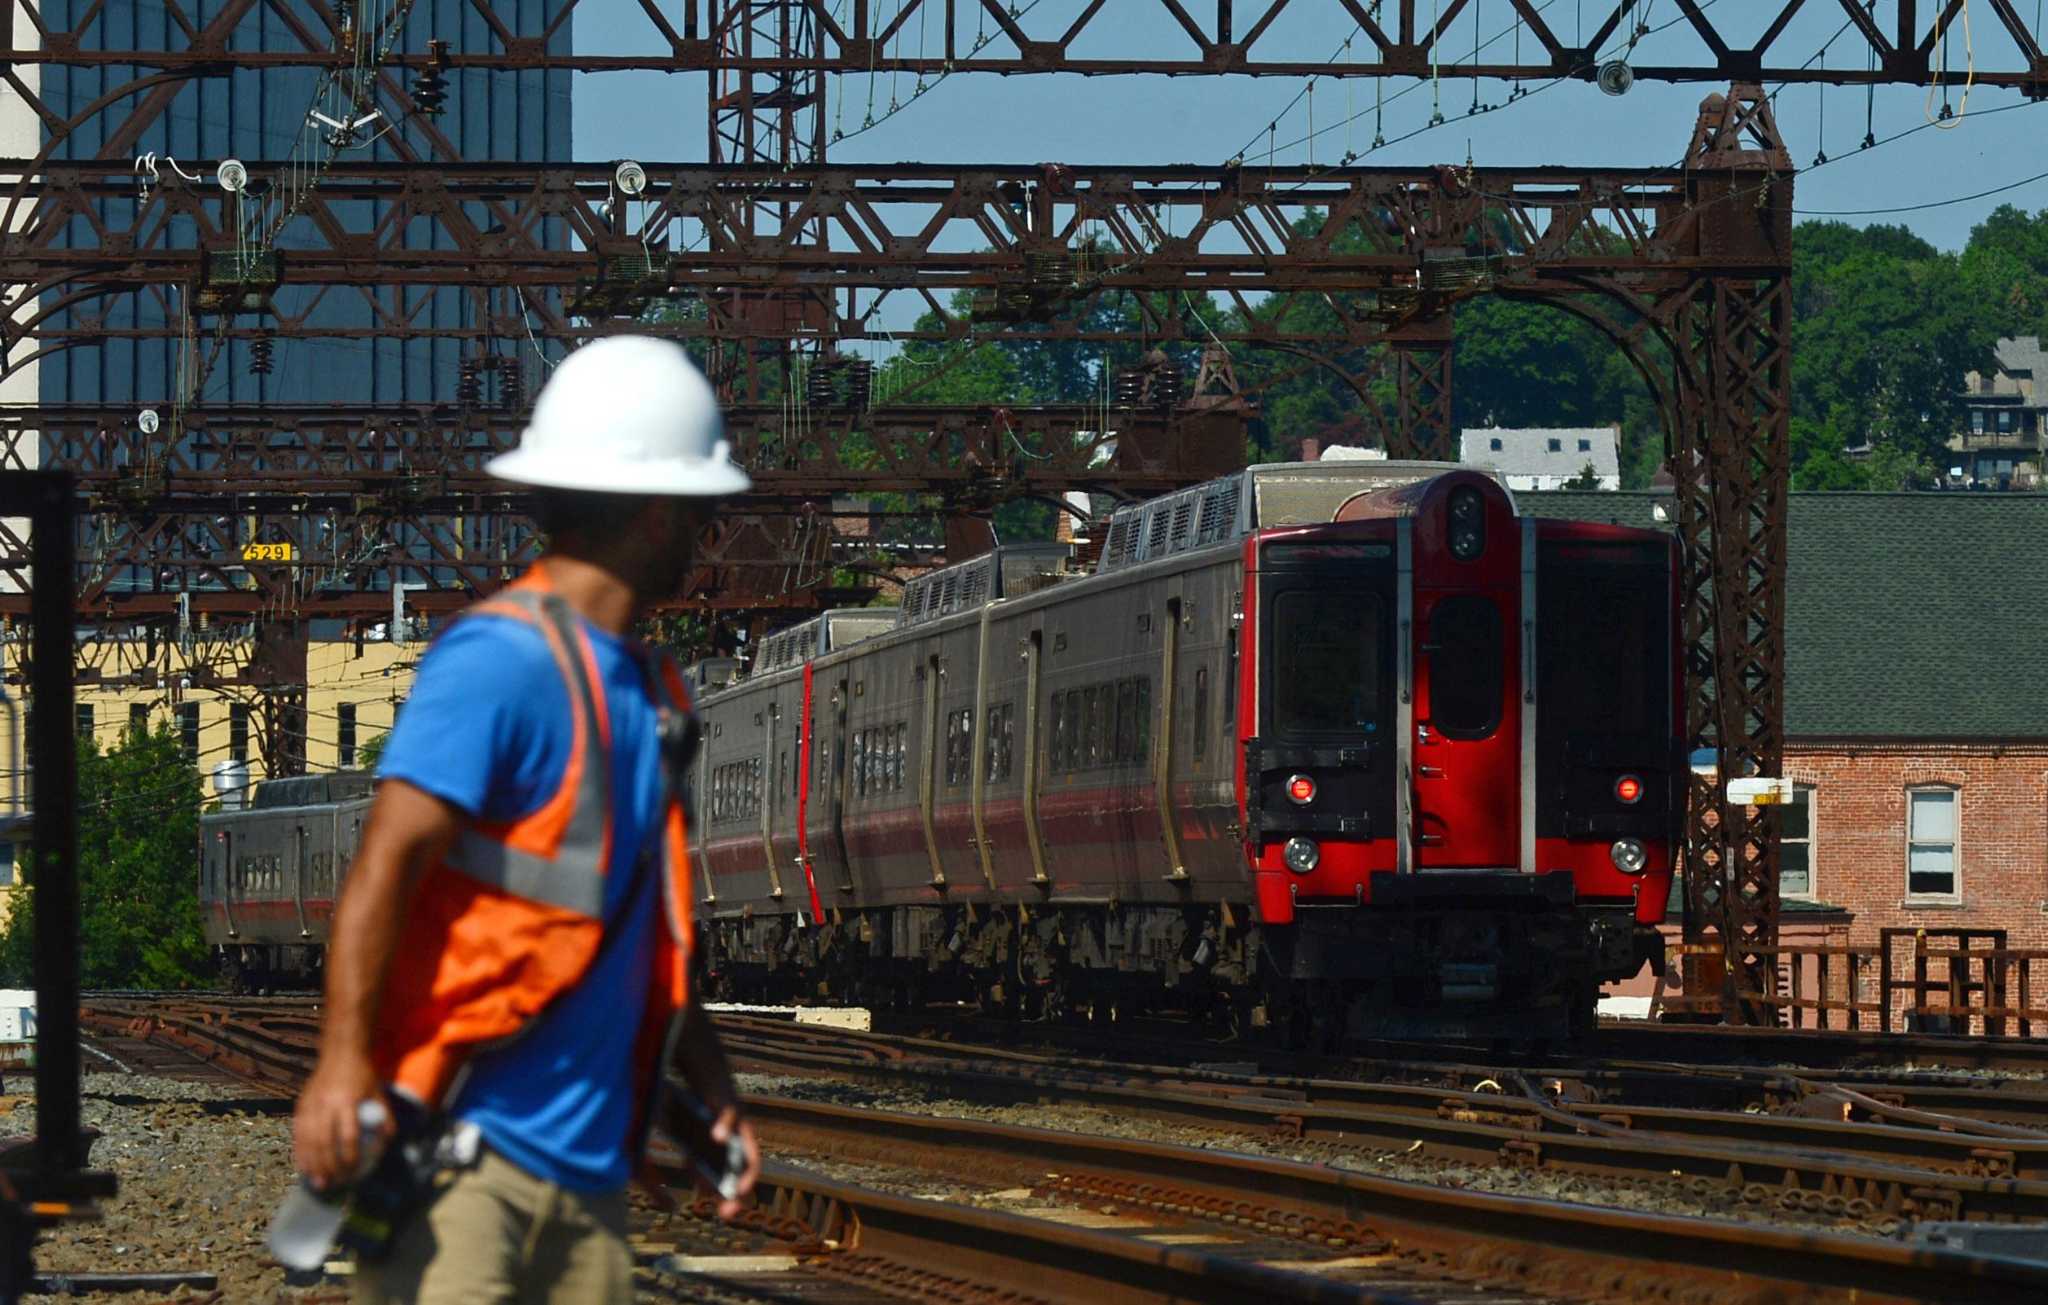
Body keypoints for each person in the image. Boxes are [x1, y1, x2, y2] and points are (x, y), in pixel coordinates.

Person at [290, 336, 761, 1303]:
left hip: (592, 1188)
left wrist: (706, 1089)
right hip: (464, 1171)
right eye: (705, 510)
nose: (710, 534)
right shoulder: (495, 662)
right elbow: (383, 865)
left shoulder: (655, 696)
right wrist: (339, 1067)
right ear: (660, 508)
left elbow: (635, 932)